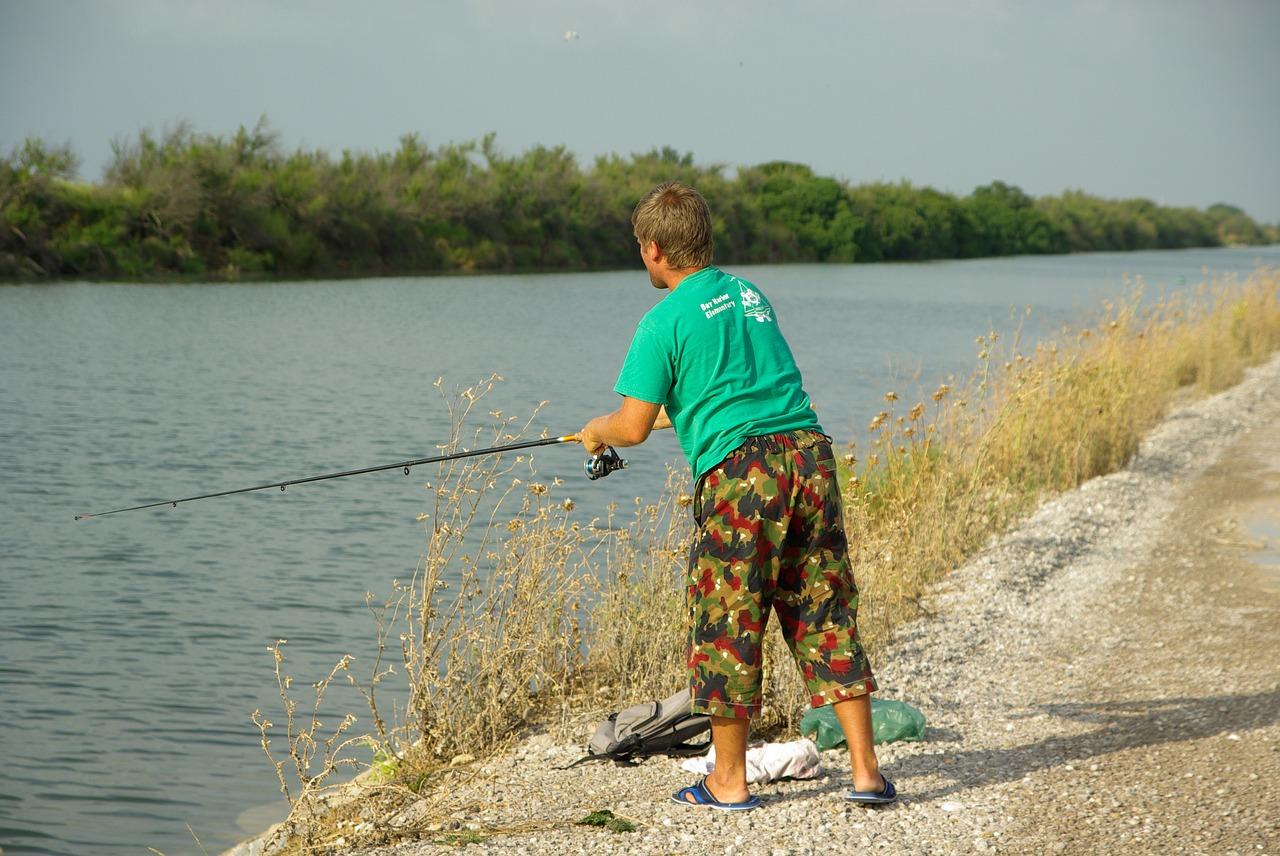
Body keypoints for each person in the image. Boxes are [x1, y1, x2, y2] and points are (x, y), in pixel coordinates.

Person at [578, 181, 894, 810]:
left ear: (654, 248)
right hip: (809, 456)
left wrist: (594, 431)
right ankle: (866, 774)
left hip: (742, 476)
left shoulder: (661, 320)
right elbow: (736, 391)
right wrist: (683, 415)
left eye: (641, 247)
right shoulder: (750, 295)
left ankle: (728, 781)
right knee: (824, 611)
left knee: (729, 620)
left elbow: (633, 426)